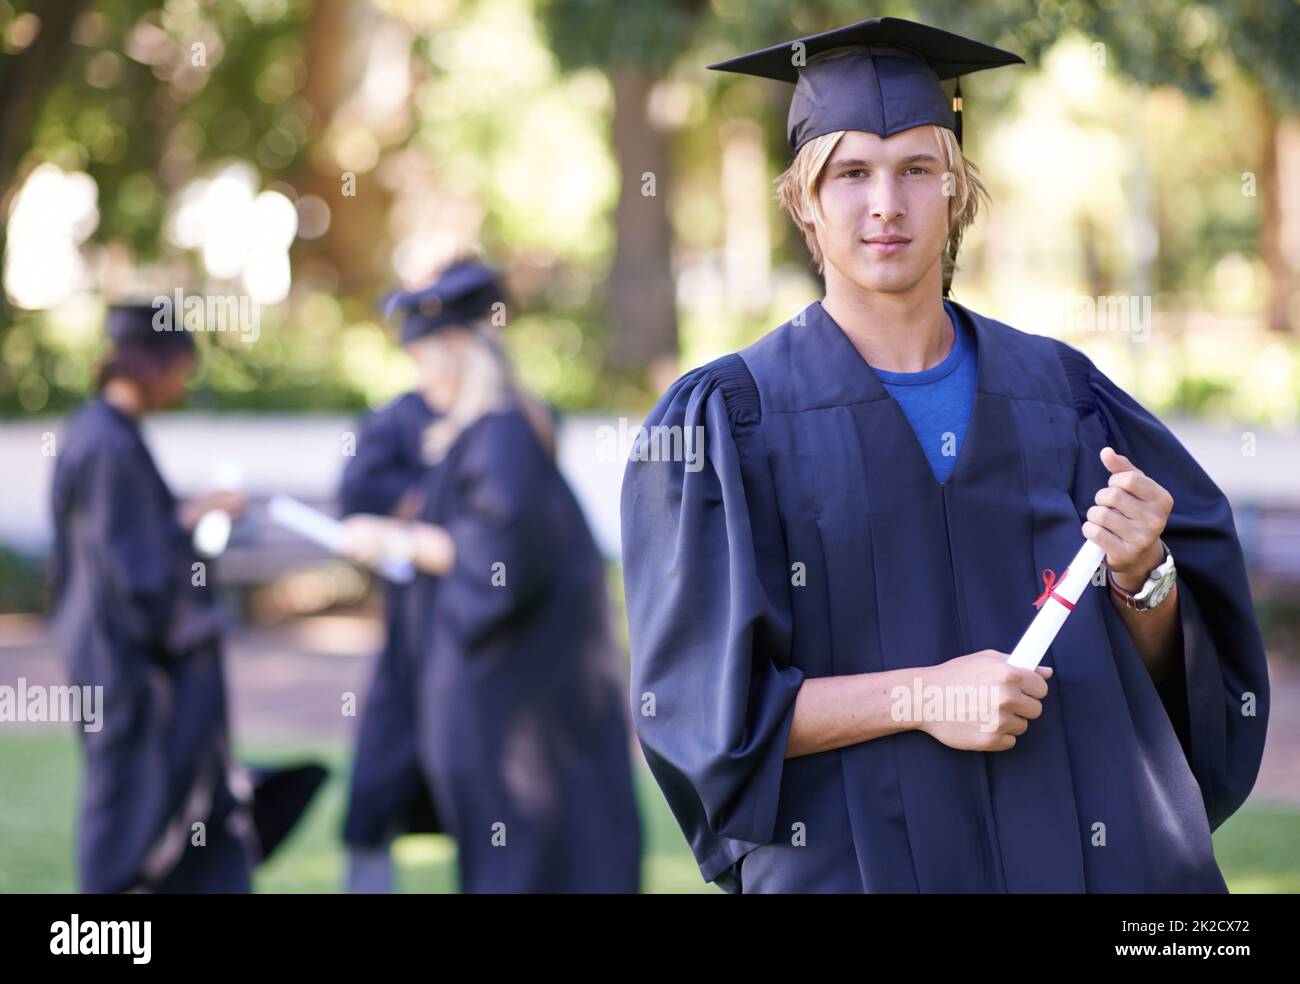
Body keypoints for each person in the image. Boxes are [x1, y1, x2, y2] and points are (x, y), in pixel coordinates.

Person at [620, 17, 1270, 893]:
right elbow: (707, 714)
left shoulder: (1065, 398)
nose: (885, 202)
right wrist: (925, 695)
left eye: (916, 169)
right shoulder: (731, 422)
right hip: (857, 864)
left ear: (956, 191)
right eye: (850, 172)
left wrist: (1143, 578)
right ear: (803, 200)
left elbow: (1177, 684)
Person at [341, 262, 641, 892]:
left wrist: (398, 539)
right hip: (505, 700)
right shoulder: (484, 432)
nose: (419, 378)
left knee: (532, 858)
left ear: (456, 351)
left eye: (426, 359)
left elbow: (498, 561)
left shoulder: (501, 433)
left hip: (521, 705)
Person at [50, 300, 323, 892]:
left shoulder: (97, 435)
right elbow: (138, 571)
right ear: (153, 364)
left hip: (115, 657)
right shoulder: (109, 447)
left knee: (171, 803)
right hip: (137, 668)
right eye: (180, 371)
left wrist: (191, 512)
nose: (181, 386)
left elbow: (130, 539)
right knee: (128, 807)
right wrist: (186, 639)